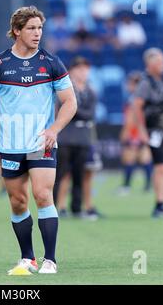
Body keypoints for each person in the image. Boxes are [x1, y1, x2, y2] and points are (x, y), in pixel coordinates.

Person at [0, 6, 77, 274]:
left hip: (40, 143)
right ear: (17, 31)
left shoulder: (52, 62)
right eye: (31, 28)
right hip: (9, 145)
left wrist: (54, 130)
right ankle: (27, 258)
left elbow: (70, 102)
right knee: (18, 202)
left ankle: (50, 260)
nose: (37, 33)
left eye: (40, 28)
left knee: (43, 195)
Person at [133, 48, 163, 218]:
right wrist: (142, 130)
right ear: (150, 63)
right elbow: (137, 106)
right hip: (155, 130)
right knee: (160, 166)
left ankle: (162, 202)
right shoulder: (146, 82)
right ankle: (159, 204)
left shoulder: (162, 81)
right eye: (160, 62)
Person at [53, 56, 102, 219]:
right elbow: (67, 110)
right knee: (62, 174)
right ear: (72, 70)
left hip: (83, 138)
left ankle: (76, 207)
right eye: (80, 69)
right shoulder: (66, 88)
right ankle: (57, 206)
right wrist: (76, 111)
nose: (83, 72)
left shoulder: (90, 90)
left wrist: (76, 111)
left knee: (79, 175)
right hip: (66, 137)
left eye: (86, 69)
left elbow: (90, 113)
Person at [118, 71, 152, 195]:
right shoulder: (144, 98)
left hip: (135, 133)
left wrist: (126, 133)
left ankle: (126, 186)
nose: (128, 86)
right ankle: (148, 186)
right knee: (144, 158)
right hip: (143, 132)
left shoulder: (134, 100)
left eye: (130, 84)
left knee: (130, 158)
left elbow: (131, 119)